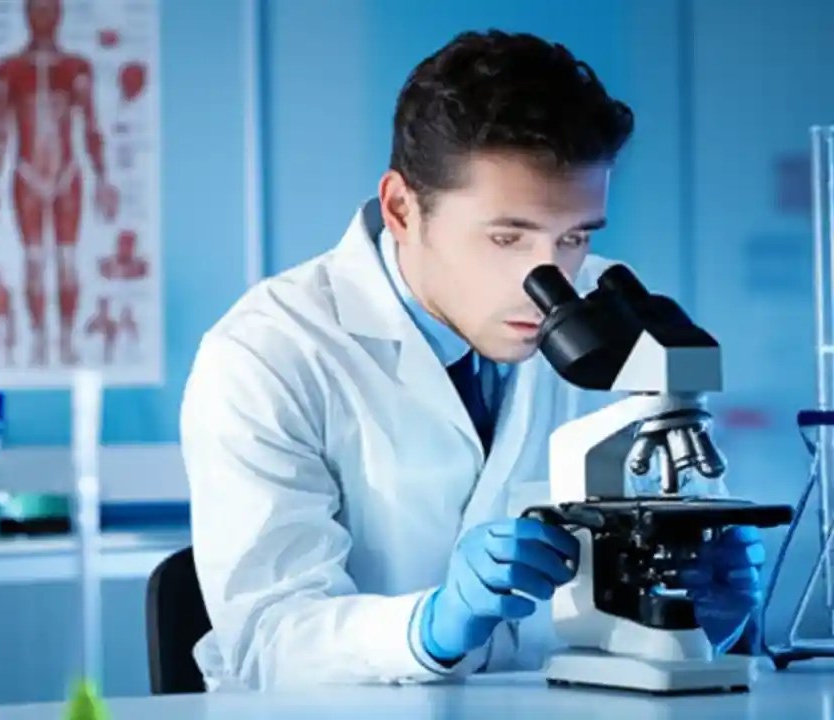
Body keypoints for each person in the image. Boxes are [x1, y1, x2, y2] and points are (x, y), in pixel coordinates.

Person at [179, 30, 766, 691]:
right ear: (403, 208)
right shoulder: (268, 354)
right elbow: (267, 641)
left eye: (572, 236)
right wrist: (429, 625)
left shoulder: (609, 313)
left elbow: (680, 545)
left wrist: (709, 619)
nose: (547, 282)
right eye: (506, 237)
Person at [0, 0, 120, 367]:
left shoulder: (75, 68)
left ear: (60, 14)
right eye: (36, 9)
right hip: (27, 174)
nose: (43, 18)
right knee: (35, 261)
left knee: (68, 260)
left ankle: (68, 338)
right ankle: (40, 338)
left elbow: (91, 126)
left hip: (67, 173)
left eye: (50, 9)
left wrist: (104, 179)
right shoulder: (10, 70)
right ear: (26, 14)